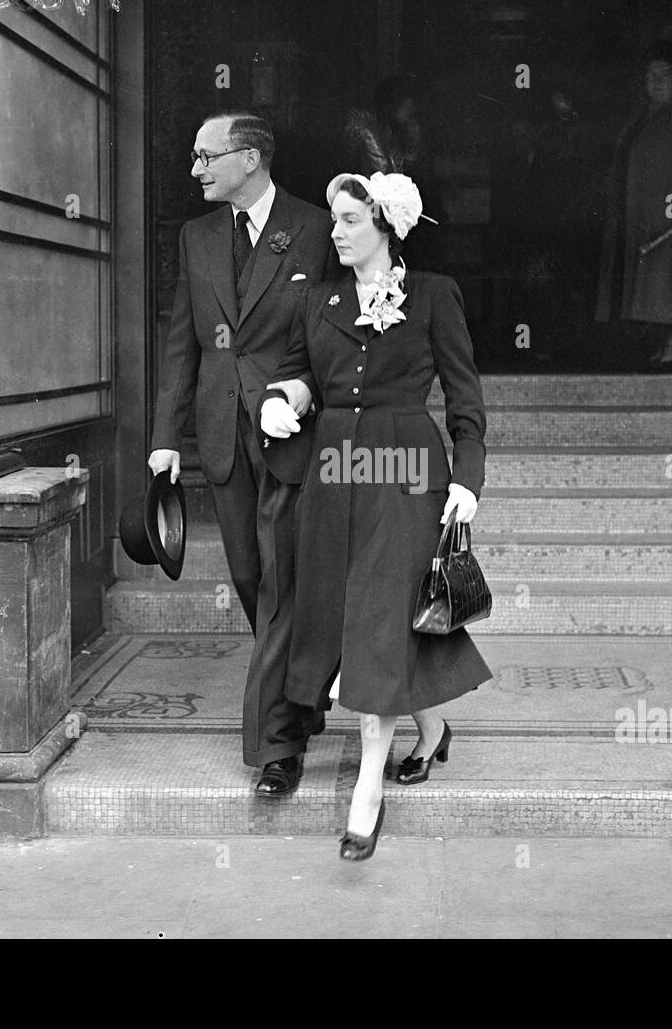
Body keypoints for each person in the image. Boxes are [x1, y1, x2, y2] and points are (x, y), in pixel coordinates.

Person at [260, 170, 491, 861]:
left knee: (378, 615)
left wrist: (468, 480)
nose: (334, 231)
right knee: (358, 616)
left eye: (349, 220)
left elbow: (464, 398)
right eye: (333, 218)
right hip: (335, 475)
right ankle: (431, 733)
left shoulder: (432, 296)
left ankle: (367, 790)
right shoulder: (321, 298)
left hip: (407, 476)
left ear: (386, 226)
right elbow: (301, 371)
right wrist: (285, 401)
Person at [148, 112, 338, 796]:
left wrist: (304, 393)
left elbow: (336, 334)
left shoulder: (317, 228)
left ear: (251, 158)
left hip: (291, 435)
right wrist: (165, 440)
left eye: (206, 156)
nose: (195, 169)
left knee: (283, 586)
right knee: (254, 580)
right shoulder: (196, 237)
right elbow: (183, 342)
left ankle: (276, 746)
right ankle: (303, 694)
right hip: (222, 435)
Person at [594, 41, 672, 368]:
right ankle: (663, 343)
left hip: (671, 220)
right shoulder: (640, 117)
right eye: (650, 74)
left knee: (667, 287)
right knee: (647, 288)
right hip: (640, 219)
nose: (656, 80)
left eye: (664, 74)